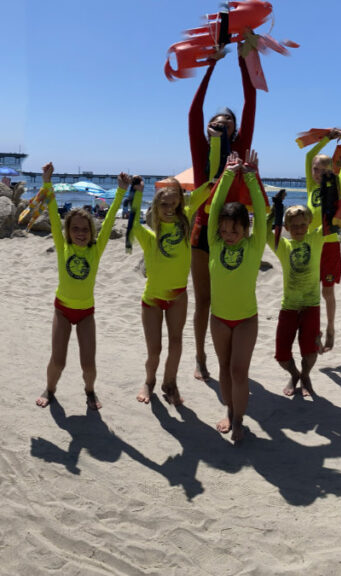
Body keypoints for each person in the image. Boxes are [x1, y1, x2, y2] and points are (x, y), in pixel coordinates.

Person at [187, 47, 261, 382]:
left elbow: (250, 102)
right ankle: (201, 356)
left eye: (226, 120)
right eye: (215, 121)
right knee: (203, 300)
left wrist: (243, 60)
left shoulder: (240, 150)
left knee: (230, 299)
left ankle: (229, 359)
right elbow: (193, 112)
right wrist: (209, 68)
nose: (220, 122)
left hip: (235, 230)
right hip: (203, 230)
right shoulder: (202, 149)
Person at [35, 163, 126, 411]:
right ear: (67, 231)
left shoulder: (95, 250)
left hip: (86, 312)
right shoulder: (63, 246)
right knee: (59, 360)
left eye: (85, 230)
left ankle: (89, 390)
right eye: (75, 229)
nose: (80, 233)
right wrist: (46, 182)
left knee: (88, 364)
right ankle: (49, 389)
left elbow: (108, 222)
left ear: (91, 232)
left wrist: (120, 192)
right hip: (62, 310)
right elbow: (53, 214)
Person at [128, 176, 211, 406]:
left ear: (181, 205)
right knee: (154, 350)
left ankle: (170, 382)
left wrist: (216, 144)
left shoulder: (185, 230)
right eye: (164, 205)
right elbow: (134, 223)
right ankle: (149, 380)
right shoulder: (150, 237)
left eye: (175, 204)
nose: (169, 208)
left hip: (178, 297)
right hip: (152, 300)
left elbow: (205, 191)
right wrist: (136, 193)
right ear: (155, 207)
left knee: (176, 343)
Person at [207, 151, 267, 444]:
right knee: (224, 368)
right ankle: (230, 412)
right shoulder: (214, 243)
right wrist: (228, 173)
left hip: (245, 319)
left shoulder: (255, 247)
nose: (229, 234)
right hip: (218, 319)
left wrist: (252, 175)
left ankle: (240, 420)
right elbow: (215, 205)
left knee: (239, 371)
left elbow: (260, 211)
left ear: (246, 230)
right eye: (225, 229)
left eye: (235, 229)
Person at [266, 202, 324, 398]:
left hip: (311, 305)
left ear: (309, 224)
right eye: (294, 226)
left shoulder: (316, 238)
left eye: (302, 225)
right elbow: (265, 230)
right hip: (289, 306)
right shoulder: (282, 245)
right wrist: (276, 209)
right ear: (287, 228)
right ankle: (295, 374)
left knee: (310, 350)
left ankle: (306, 376)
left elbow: (333, 216)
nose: (299, 229)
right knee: (281, 355)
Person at [304, 129, 341, 354]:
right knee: (311, 291)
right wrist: (326, 139)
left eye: (323, 168)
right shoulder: (311, 187)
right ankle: (314, 331)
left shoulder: (336, 183)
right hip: (310, 244)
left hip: (330, 244)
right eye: (316, 168)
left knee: (328, 292)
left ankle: (331, 327)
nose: (318, 172)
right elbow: (308, 155)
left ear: (330, 170)